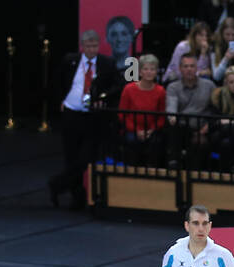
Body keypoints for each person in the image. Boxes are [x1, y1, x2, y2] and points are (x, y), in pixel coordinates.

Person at [49, 31, 117, 210]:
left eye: (94, 46)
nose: (91, 49)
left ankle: (57, 184)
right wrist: (61, 101)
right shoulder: (70, 60)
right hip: (72, 113)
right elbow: (57, 81)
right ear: (82, 47)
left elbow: (115, 87)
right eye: (88, 46)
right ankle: (77, 197)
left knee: (86, 157)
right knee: (71, 156)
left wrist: (103, 98)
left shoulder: (106, 64)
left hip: (93, 117)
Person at [165, 54, 215, 170]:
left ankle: (195, 175)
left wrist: (207, 127)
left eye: (192, 66)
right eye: (185, 66)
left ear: (197, 68)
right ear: (180, 69)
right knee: (173, 128)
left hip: (203, 128)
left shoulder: (209, 85)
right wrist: (172, 117)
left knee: (201, 142)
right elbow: (171, 107)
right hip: (182, 127)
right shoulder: (173, 87)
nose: (189, 69)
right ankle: (174, 165)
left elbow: (215, 110)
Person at [118, 54, 167, 168]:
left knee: (156, 142)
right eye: (146, 69)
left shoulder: (160, 91)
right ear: (140, 72)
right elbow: (122, 115)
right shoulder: (129, 89)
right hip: (132, 130)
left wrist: (151, 130)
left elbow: (161, 116)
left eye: (152, 69)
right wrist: (137, 130)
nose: (149, 72)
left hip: (151, 130)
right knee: (131, 141)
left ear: (156, 72)